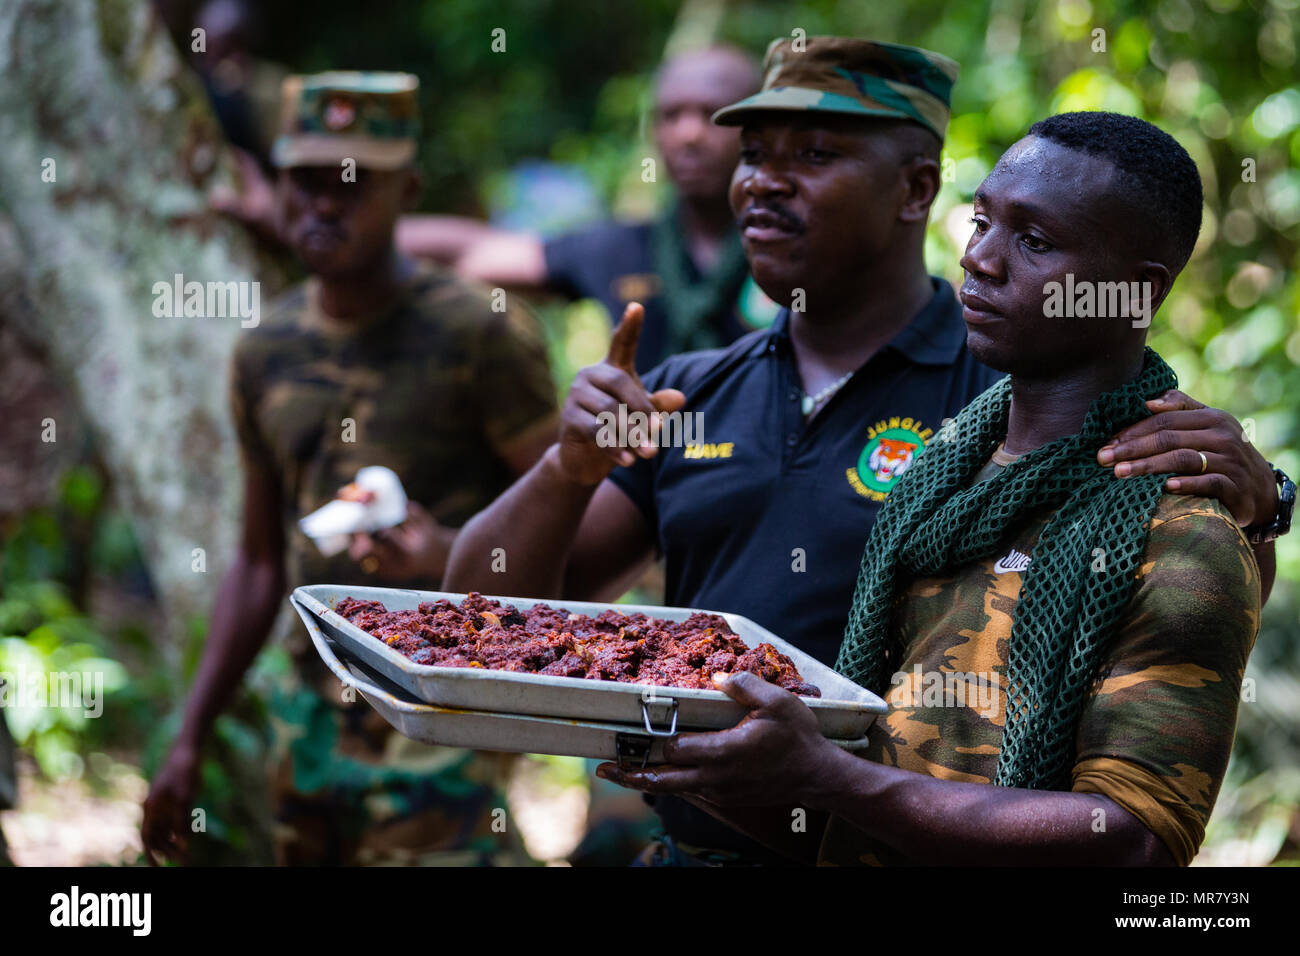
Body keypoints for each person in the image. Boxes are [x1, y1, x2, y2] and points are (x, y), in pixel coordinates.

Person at [443, 37, 1285, 866]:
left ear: (915, 188)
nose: (765, 181)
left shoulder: (1007, 393)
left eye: (813, 154)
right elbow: (475, 623)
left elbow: (1178, 610)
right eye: (755, 153)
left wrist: (1267, 502)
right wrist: (568, 466)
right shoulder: (692, 394)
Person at [142, 72, 559, 866]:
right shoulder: (265, 349)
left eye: (351, 185)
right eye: (303, 182)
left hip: (442, 706)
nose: (323, 206)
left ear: (408, 192)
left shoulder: (479, 332)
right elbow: (260, 558)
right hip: (310, 716)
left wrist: (451, 558)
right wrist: (189, 737)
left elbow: (570, 512)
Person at [397, 46, 779, 372]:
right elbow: (474, 252)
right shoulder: (622, 248)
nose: (688, 135)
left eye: (712, 113)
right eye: (671, 115)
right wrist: (360, 232)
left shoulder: (792, 247)